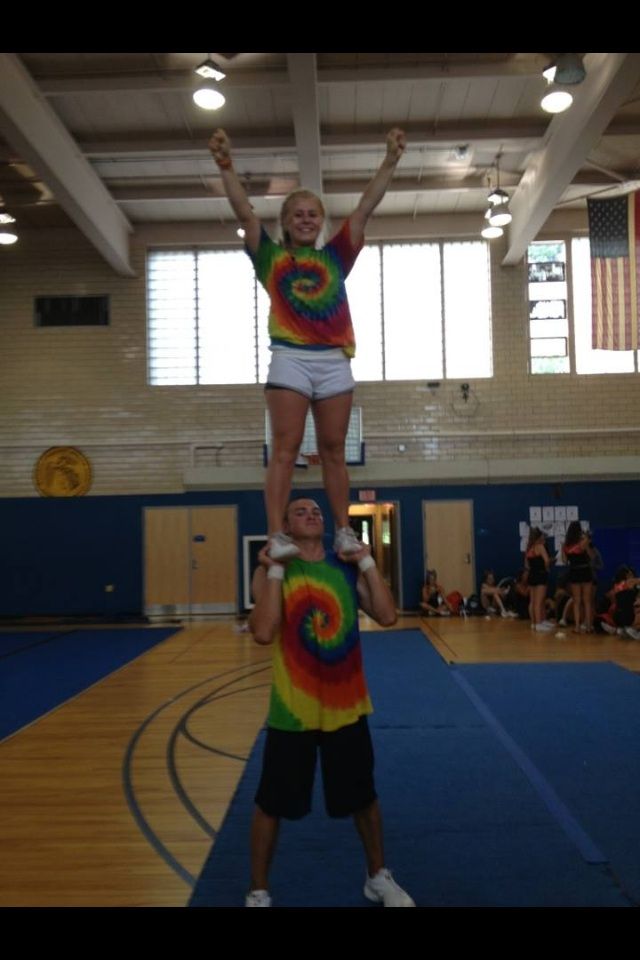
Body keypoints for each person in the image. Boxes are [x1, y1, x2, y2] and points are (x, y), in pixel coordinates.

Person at [209, 126, 406, 561]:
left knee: (335, 451)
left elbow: (365, 208)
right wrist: (226, 167)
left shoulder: (335, 256)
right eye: (297, 214)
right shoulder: (271, 258)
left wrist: (390, 161)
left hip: (334, 361)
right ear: (285, 221)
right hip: (290, 358)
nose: (305, 219)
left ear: (321, 221)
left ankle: (343, 531)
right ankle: (276, 533)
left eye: (312, 214)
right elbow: (245, 214)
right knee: (286, 448)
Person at [246, 497, 415, 908]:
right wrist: (275, 569)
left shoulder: (344, 566)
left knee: (364, 800)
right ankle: (259, 891)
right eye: (300, 511)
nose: (312, 514)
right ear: (285, 526)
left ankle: (377, 877)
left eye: (317, 511)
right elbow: (264, 632)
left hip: (346, 706)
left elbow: (388, 616)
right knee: (270, 805)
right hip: (293, 711)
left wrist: (367, 561)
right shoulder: (270, 570)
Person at [562, 521, 594, 633]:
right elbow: (592, 557)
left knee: (576, 601)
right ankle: (588, 627)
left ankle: (577, 627)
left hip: (574, 572)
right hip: (585, 571)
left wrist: (562, 549)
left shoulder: (566, 545)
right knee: (587, 601)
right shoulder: (583, 542)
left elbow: (564, 561)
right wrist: (587, 543)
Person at [525, 527, 553, 632]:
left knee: (532, 601)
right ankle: (538, 624)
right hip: (540, 575)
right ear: (539, 537)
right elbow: (547, 560)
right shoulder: (540, 547)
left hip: (532, 575)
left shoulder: (529, 548)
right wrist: (547, 567)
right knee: (539, 601)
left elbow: (527, 565)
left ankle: (534, 623)